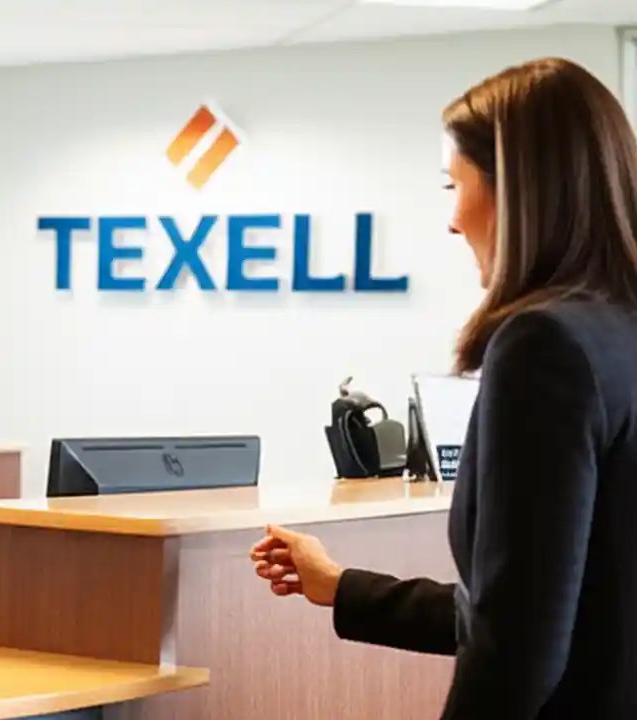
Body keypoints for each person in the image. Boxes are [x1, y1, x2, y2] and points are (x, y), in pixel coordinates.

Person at [251, 57, 637, 718]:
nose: (453, 220)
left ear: (515, 191)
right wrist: (343, 587)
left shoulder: (545, 345)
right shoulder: (618, 331)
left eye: (453, 184)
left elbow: (516, 650)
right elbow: (551, 601)